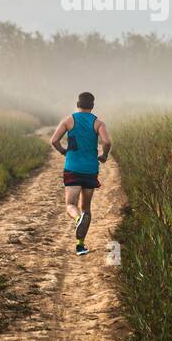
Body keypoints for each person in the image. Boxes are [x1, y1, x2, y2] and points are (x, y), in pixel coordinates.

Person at [49, 91, 111, 256]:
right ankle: (80, 245)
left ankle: (77, 220)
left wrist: (64, 152)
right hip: (90, 170)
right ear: (92, 106)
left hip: (73, 168)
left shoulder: (69, 120)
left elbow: (54, 140)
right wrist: (104, 156)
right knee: (86, 209)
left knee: (70, 205)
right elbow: (107, 142)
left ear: (78, 104)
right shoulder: (98, 123)